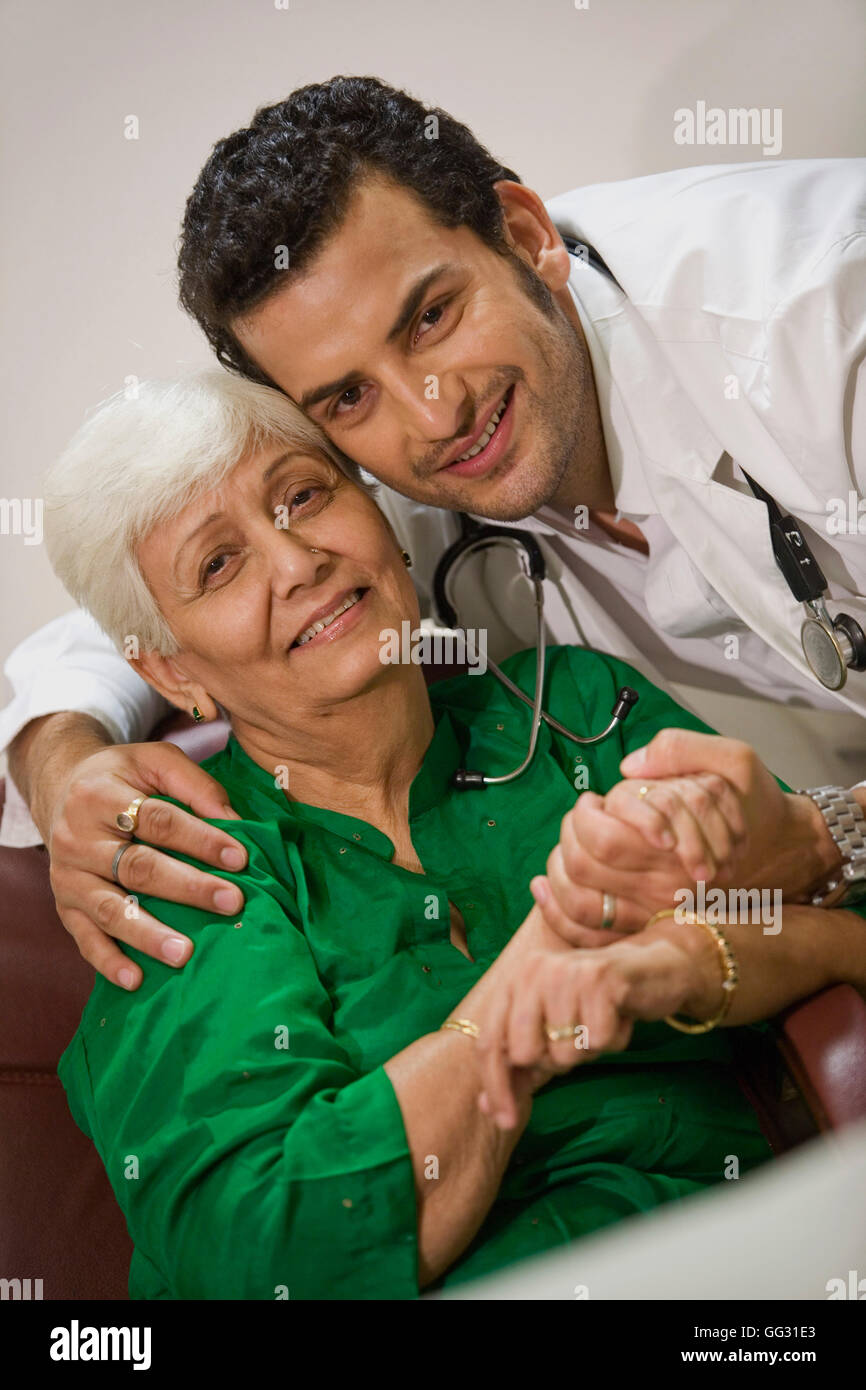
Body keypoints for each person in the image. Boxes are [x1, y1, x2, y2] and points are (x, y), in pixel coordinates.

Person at [4, 78, 866, 992]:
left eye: (431, 318)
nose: (435, 413)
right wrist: (68, 774)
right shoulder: (371, 511)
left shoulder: (820, 320)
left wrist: (827, 834)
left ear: (528, 234)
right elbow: (129, 620)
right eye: (348, 395)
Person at [44, 371, 866, 1299]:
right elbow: (266, 1247)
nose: (297, 560)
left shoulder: (578, 710)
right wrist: (537, 981)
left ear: (383, 520)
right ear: (170, 668)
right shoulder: (181, 869)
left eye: (303, 497)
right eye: (219, 565)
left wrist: (709, 947)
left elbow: (848, 917)